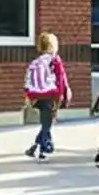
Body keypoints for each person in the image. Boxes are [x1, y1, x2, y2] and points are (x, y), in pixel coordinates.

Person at [23, 32, 72, 161]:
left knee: (46, 122)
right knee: (47, 123)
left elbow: (27, 81)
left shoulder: (35, 62)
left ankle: (36, 146)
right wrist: (61, 95)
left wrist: (28, 97)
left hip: (36, 96)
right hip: (50, 94)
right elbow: (60, 79)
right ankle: (44, 147)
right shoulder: (55, 60)